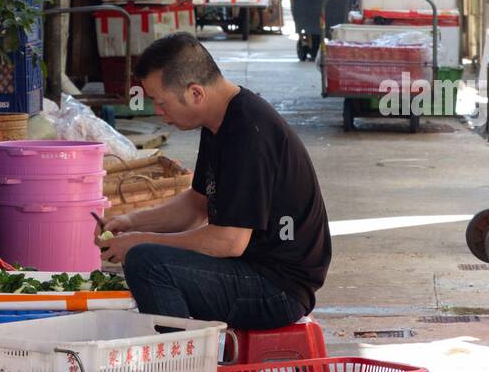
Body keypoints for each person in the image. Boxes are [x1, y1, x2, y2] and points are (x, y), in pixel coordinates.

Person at [99, 33, 331, 327]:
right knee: (145, 255)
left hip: (278, 289)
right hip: (251, 267)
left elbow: (228, 241)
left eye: (161, 102)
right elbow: (196, 205)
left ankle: (182, 368)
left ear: (195, 93)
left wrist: (139, 243)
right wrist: (132, 222)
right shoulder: (220, 120)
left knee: (148, 264)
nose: (159, 113)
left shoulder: (247, 132)